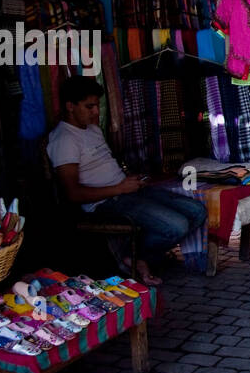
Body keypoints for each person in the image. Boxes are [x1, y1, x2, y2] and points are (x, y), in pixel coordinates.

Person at [48, 76, 207, 286]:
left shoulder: (92, 129)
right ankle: (139, 259)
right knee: (177, 226)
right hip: (105, 203)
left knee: (198, 211)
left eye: (96, 106)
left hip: (126, 191)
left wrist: (130, 181)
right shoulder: (64, 139)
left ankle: (139, 256)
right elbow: (73, 193)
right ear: (70, 106)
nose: (96, 112)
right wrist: (120, 188)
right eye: (89, 107)